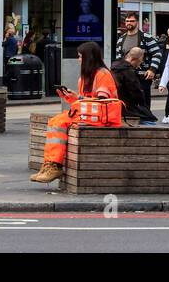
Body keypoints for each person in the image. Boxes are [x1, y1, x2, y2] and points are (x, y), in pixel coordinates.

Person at [32, 41, 119, 184]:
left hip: (103, 117)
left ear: (88, 58)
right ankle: (50, 164)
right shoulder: (85, 78)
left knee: (58, 122)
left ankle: (54, 165)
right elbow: (87, 103)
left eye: (80, 57)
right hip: (93, 115)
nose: (78, 60)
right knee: (55, 121)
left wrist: (78, 98)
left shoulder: (102, 75)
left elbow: (101, 101)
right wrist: (72, 98)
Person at [114, 12, 164, 110]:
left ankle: (146, 120)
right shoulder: (121, 39)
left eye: (132, 21)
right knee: (127, 100)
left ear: (137, 22)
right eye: (127, 21)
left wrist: (152, 69)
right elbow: (118, 58)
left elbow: (157, 53)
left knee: (143, 100)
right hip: (126, 75)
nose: (129, 23)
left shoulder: (146, 37)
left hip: (143, 75)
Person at [113, 47, 158, 124]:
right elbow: (137, 94)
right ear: (134, 59)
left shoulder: (114, 69)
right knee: (151, 122)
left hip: (116, 108)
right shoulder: (128, 72)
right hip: (127, 109)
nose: (140, 63)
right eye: (140, 61)